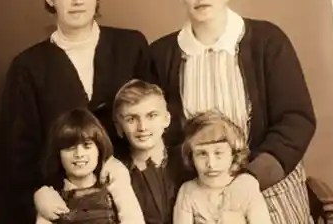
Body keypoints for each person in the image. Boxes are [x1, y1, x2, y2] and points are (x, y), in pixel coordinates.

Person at [150, 0, 314, 224]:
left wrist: (251, 178)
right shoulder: (161, 55)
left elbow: (297, 119)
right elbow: (159, 133)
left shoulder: (267, 40)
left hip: (268, 184)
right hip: (199, 190)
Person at [2, 0, 156, 223]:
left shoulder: (131, 46)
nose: (77, 0)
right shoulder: (27, 67)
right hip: (67, 204)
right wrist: (36, 193)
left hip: (135, 192)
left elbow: (154, 118)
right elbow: (18, 152)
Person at [37, 108, 146, 224]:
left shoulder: (115, 185)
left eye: (87, 146)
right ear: (58, 153)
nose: (79, 154)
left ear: (99, 149)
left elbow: (133, 219)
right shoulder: (51, 200)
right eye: (70, 147)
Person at [172, 111, 271, 224]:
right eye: (202, 154)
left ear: (233, 154)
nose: (211, 164)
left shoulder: (247, 185)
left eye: (218, 153)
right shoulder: (188, 191)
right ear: (191, 156)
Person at [110, 80, 187, 224]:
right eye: (131, 119)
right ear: (118, 127)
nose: (142, 127)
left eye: (151, 116)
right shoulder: (114, 173)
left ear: (166, 119)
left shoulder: (187, 162)